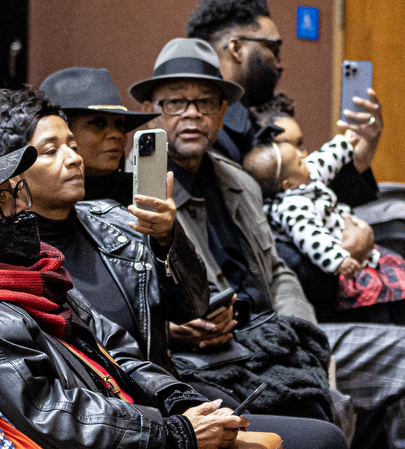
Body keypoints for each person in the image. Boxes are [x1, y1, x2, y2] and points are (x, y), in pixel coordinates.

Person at [131, 37, 405, 449]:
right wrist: (171, 327)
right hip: (208, 354)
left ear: (222, 113)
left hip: (276, 332)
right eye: (175, 103)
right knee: (313, 413)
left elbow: (275, 269)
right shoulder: (135, 191)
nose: (192, 114)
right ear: (151, 112)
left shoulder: (238, 181)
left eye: (205, 102)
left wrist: (301, 336)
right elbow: (121, 298)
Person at [0, 87, 349, 449]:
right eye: (52, 150)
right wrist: (175, 430)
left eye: (72, 145)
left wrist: (168, 238)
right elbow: (51, 410)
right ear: (13, 173)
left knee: (311, 413)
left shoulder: (72, 247)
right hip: (126, 418)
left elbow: (130, 343)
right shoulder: (22, 270)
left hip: (151, 392)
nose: (73, 158)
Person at [0, 144, 250, 449]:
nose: (19, 208)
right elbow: (51, 414)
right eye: (2, 199)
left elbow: (116, 350)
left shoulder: (42, 272)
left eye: (16, 191)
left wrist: (174, 398)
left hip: (135, 420)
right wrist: (172, 433)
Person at [243, 126, 405, 339]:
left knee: (396, 261)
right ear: (287, 184)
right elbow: (312, 239)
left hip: (360, 251)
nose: (307, 160)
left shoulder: (304, 181)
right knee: (388, 283)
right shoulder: (293, 208)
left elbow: (324, 160)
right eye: (301, 162)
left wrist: (345, 142)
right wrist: (338, 260)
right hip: (347, 267)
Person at [186, 0, 383, 207]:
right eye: (273, 48)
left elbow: (298, 197)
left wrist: (360, 158)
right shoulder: (205, 132)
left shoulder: (249, 121)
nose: (279, 63)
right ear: (236, 48)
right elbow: (262, 223)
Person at [40, 66, 155, 206]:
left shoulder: (142, 194)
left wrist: (169, 227)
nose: (116, 134)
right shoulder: (36, 201)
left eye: (120, 124)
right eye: (97, 123)